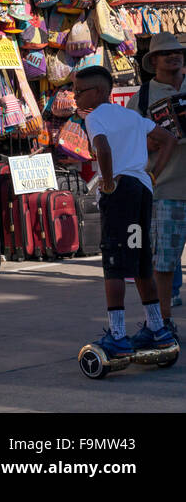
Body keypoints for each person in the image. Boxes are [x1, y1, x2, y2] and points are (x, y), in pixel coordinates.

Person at [75, 65, 177, 353]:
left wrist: (107, 183)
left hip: (120, 192)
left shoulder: (95, 117)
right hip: (143, 190)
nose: (75, 97)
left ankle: (117, 335)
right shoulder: (131, 116)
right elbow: (168, 139)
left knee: (115, 263)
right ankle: (158, 329)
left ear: (97, 92)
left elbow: (103, 150)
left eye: (79, 92)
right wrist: (154, 173)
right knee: (141, 259)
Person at [129, 32, 186, 311]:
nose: (174, 56)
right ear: (154, 60)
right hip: (165, 189)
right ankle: (163, 326)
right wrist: (155, 140)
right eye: (166, 53)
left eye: (177, 52)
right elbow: (128, 141)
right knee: (163, 263)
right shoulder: (142, 98)